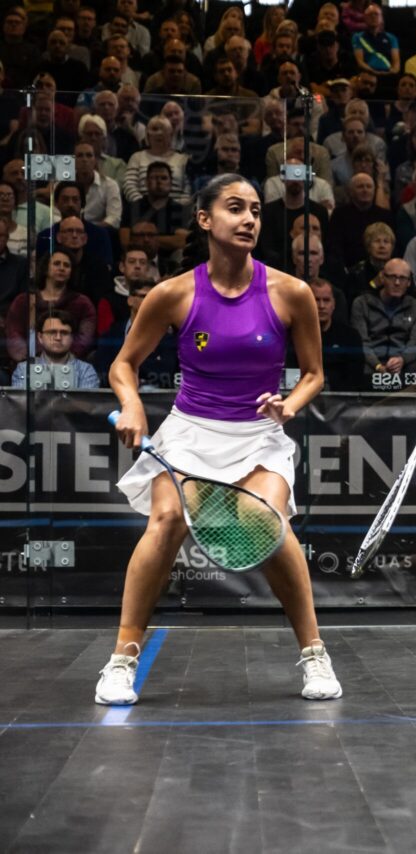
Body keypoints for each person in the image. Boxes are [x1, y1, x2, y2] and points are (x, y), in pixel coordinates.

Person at [96, 174, 342, 706]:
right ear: (206, 219)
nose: (249, 218)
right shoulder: (173, 294)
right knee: (165, 520)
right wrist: (134, 403)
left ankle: (314, 653)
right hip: (190, 431)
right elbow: (123, 363)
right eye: (235, 208)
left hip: (259, 433)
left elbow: (314, 374)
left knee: (266, 524)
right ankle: (121, 660)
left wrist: (289, 406)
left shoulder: (291, 292)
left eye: (255, 210)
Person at [6, 250, 96, 363]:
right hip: (28, 364)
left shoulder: (82, 303)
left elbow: (84, 339)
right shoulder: (23, 301)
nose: (62, 268)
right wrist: (33, 358)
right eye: (56, 263)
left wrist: (60, 357)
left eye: (66, 265)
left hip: (70, 364)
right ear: (45, 268)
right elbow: (14, 336)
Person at [350, 258, 416, 381]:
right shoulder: (361, 303)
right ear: (382, 277)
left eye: (402, 278)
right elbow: (361, 342)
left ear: (409, 282)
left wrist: (402, 360)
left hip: (405, 362)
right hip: (370, 363)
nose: (397, 283)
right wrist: (378, 366)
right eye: (392, 277)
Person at [11, 310, 99, 388]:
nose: (58, 337)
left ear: (72, 338)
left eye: (64, 333)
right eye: (51, 332)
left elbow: (86, 406)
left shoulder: (86, 371)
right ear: (40, 337)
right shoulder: (24, 369)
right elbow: (20, 405)